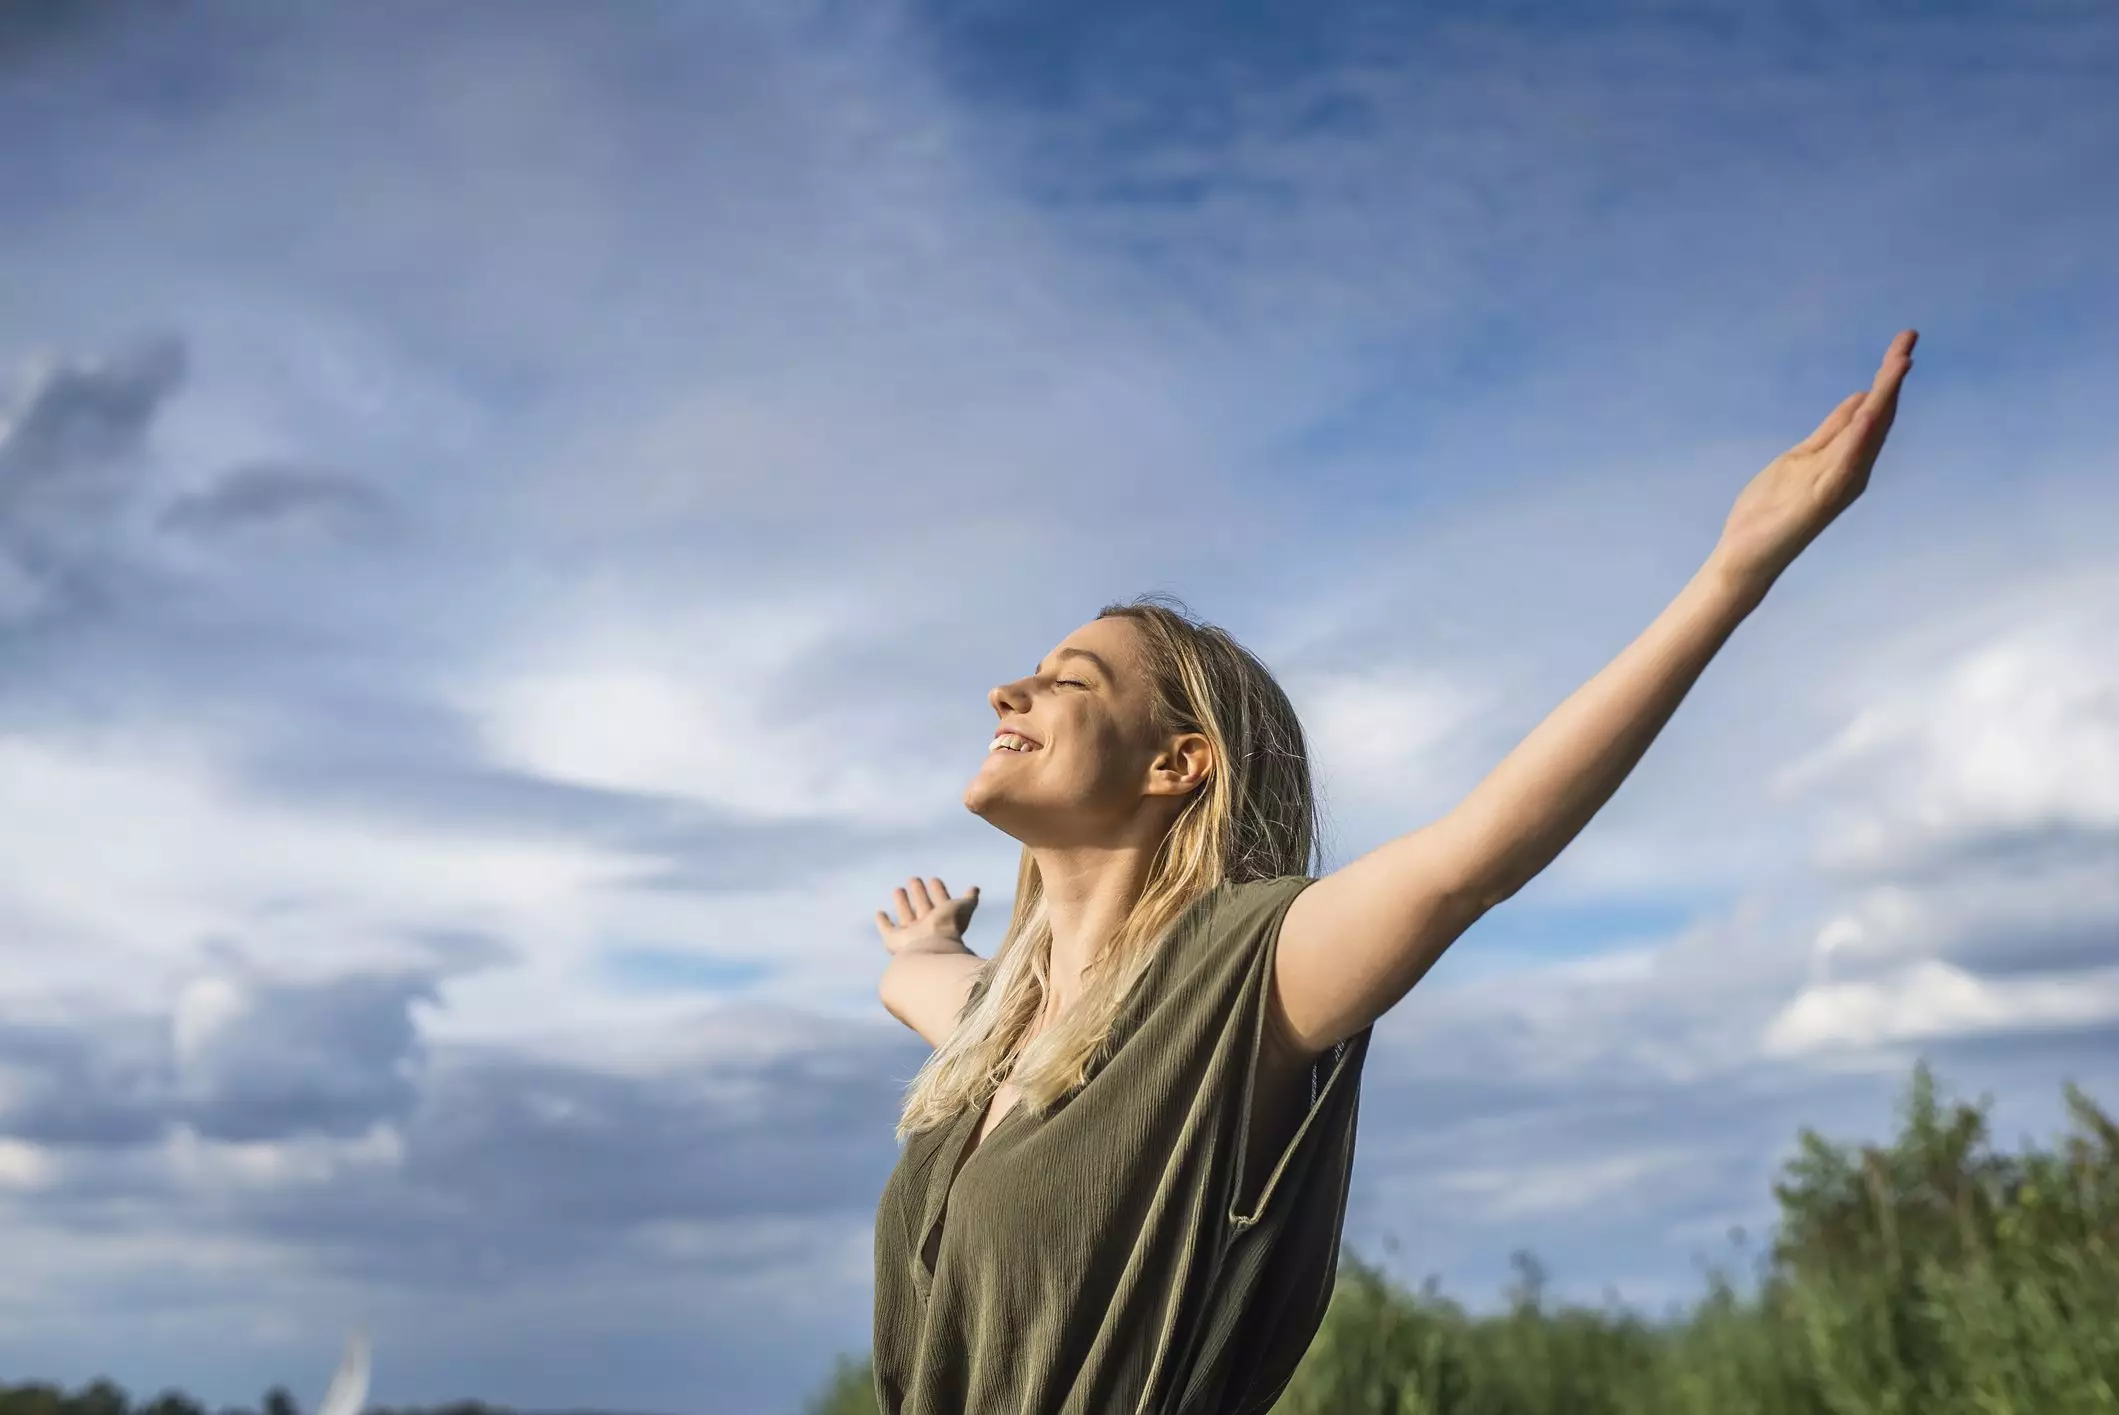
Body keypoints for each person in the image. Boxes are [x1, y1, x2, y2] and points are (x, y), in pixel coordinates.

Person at [869, 330, 1918, 1414]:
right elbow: (924, 986)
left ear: (1177, 762)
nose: (1008, 692)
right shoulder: (1004, 1028)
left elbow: (1474, 857)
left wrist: (1733, 573)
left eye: (1066, 682)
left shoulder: (1242, 974)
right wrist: (924, 947)